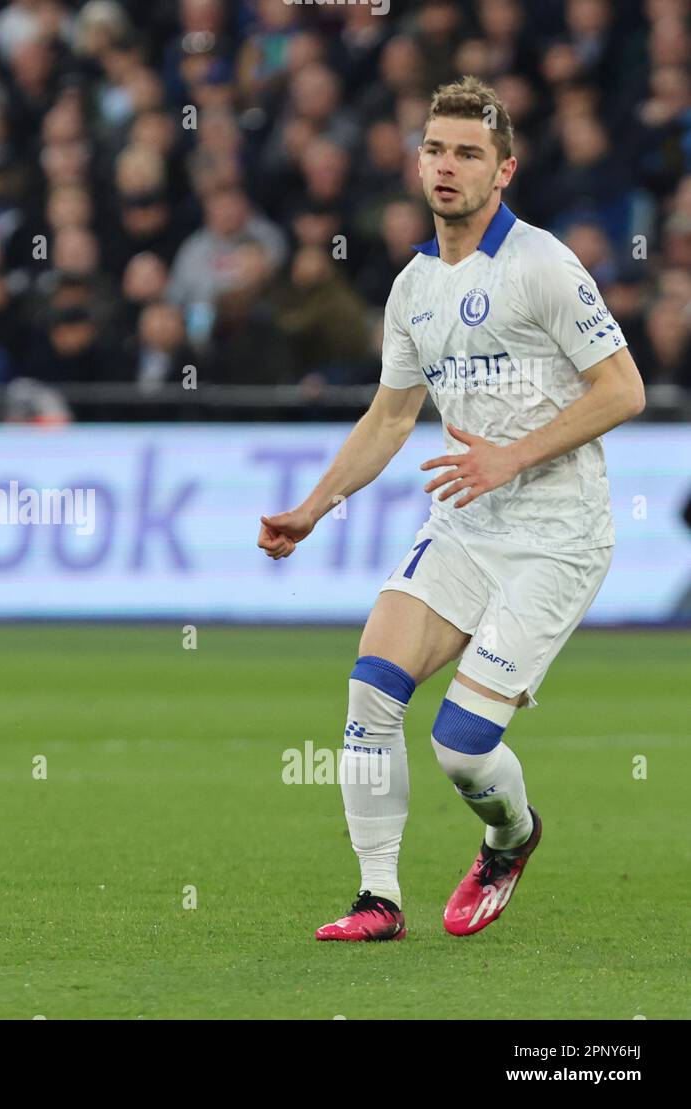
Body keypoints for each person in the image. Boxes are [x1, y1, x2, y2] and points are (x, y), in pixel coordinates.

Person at [258, 77, 646, 942]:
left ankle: (510, 837)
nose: (447, 165)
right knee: (370, 690)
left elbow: (624, 390)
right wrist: (315, 506)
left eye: (469, 153)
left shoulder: (542, 265)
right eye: (435, 148)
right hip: (467, 526)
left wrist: (510, 454)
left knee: (462, 746)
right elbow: (392, 416)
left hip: (557, 536)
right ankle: (378, 899)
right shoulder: (413, 287)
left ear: (503, 170)